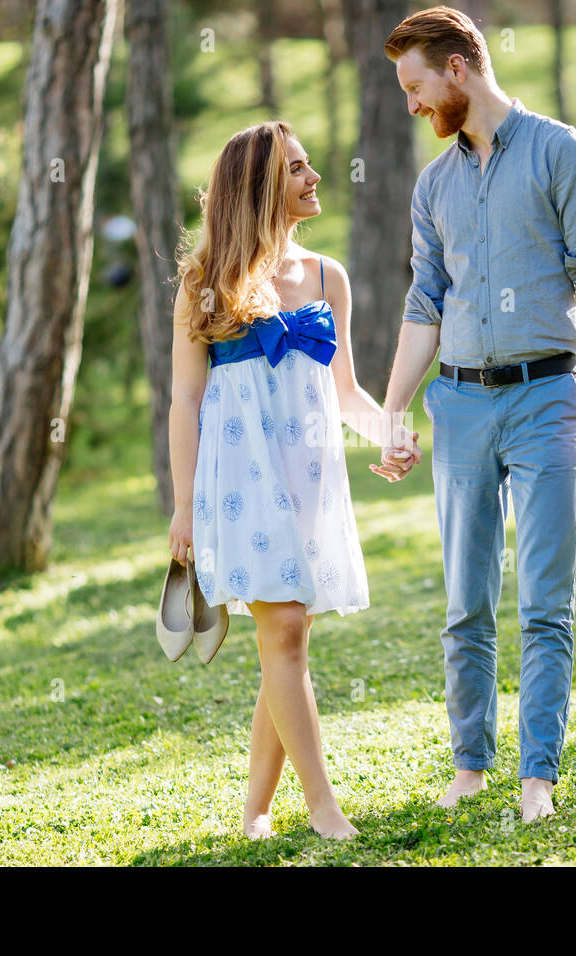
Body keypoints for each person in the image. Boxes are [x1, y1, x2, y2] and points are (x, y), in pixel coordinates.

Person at [376, 5, 576, 822]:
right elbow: (425, 302)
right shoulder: (434, 185)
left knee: (543, 596)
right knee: (465, 601)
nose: (414, 105)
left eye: (418, 86)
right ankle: (469, 765)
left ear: (458, 68)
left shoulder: (561, 151)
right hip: (457, 404)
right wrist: (395, 407)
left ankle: (538, 777)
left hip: (546, 398)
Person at [167, 121, 405, 840]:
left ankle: (255, 811)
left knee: (284, 639)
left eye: (311, 164)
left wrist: (390, 432)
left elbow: (347, 390)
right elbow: (184, 398)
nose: (314, 178)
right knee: (289, 630)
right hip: (240, 475)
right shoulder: (203, 280)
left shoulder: (328, 276)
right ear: (262, 186)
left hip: (308, 477)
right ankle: (322, 807)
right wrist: (183, 507)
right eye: (298, 169)